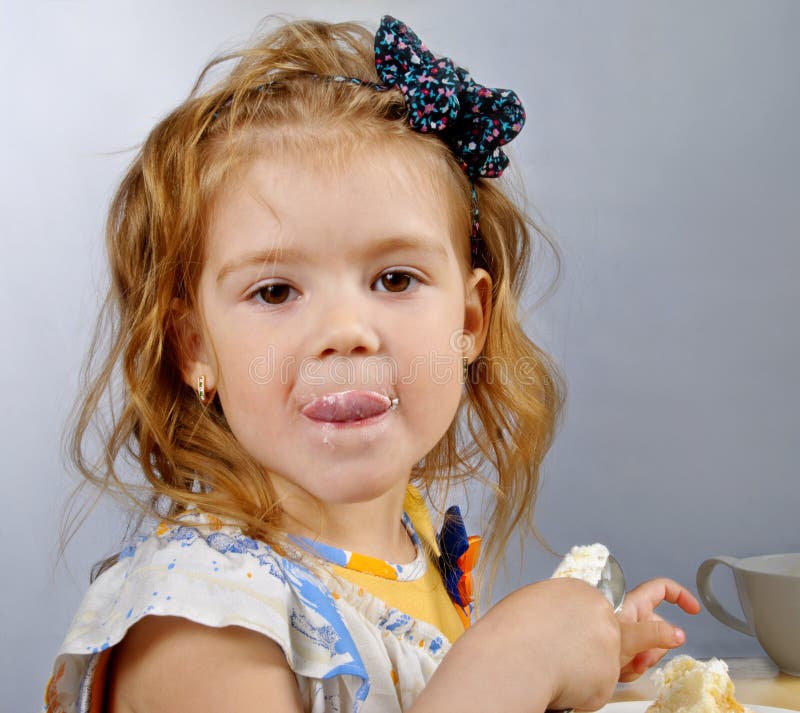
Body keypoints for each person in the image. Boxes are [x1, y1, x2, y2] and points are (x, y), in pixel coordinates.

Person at [44, 14, 700, 713]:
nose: (346, 332)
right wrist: (519, 652)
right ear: (194, 347)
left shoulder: (411, 540)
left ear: (469, 322)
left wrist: (579, 655)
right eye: (275, 290)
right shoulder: (200, 622)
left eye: (394, 279)